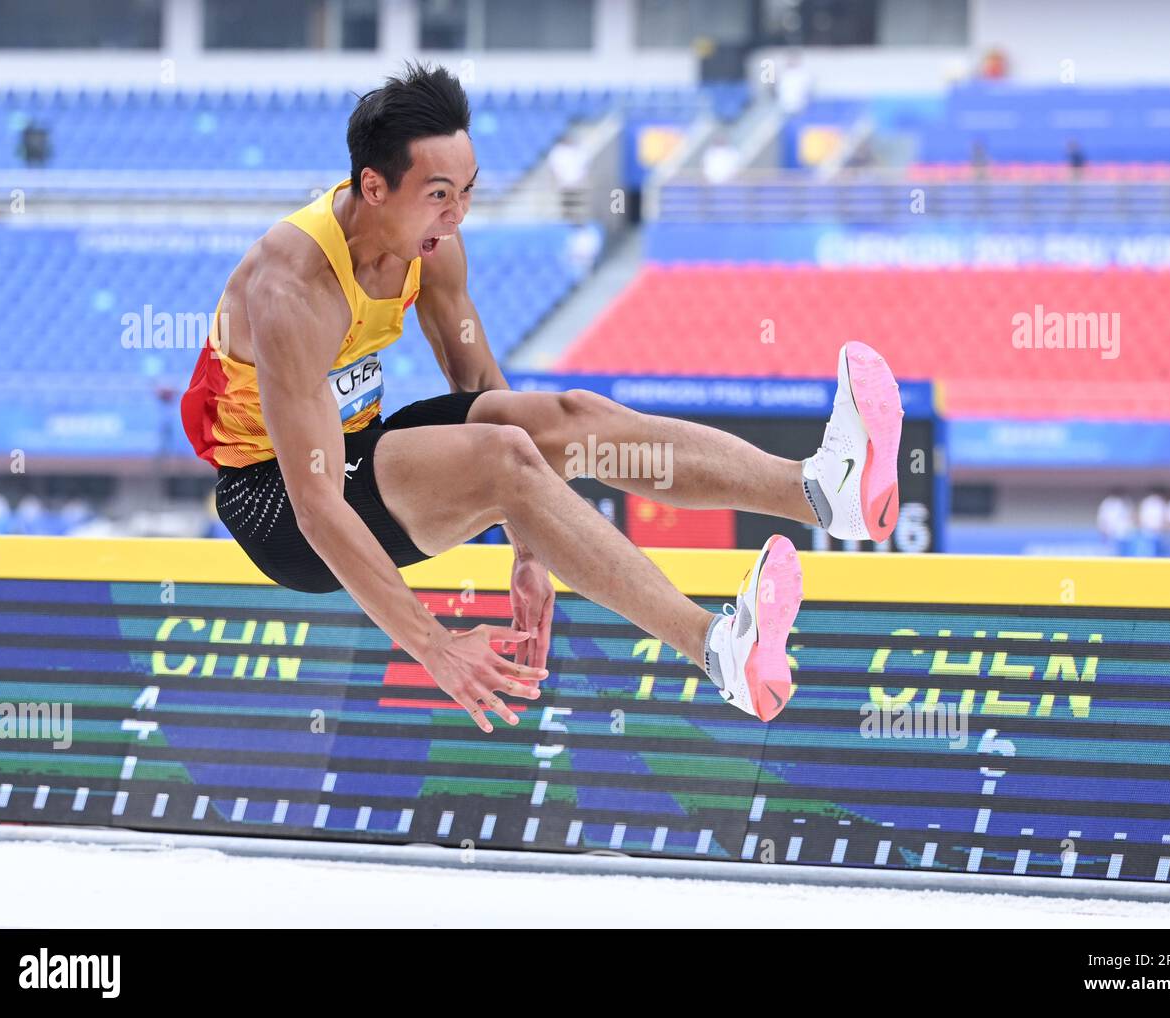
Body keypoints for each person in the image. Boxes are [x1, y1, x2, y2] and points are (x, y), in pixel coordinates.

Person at [180, 64, 904, 731]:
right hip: (276, 503)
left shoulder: (432, 244)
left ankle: (820, 490)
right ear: (374, 188)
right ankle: (719, 649)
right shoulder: (291, 289)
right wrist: (434, 644)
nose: (457, 215)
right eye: (439, 195)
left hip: (355, 450)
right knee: (504, 460)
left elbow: (479, 387)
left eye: (468, 191)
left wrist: (528, 548)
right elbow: (317, 506)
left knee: (563, 419)